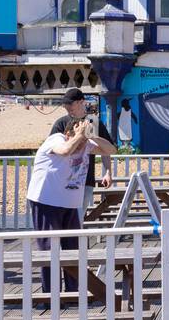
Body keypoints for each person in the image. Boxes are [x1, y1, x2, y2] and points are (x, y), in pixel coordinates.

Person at [28, 116, 116, 293]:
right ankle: (50, 296)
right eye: (80, 138)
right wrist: (79, 136)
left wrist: (91, 136)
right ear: (68, 134)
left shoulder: (86, 143)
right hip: (46, 200)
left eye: (84, 140)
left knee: (73, 248)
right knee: (50, 249)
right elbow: (65, 150)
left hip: (70, 203)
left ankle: (73, 293)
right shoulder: (56, 139)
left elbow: (111, 150)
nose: (83, 145)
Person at [49, 88, 113, 216]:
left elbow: (106, 150)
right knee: (63, 217)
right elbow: (53, 150)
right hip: (63, 179)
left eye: (71, 104)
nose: (68, 108)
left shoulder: (94, 122)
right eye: (66, 105)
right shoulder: (61, 123)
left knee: (78, 218)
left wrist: (108, 172)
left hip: (86, 180)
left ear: (81, 102)